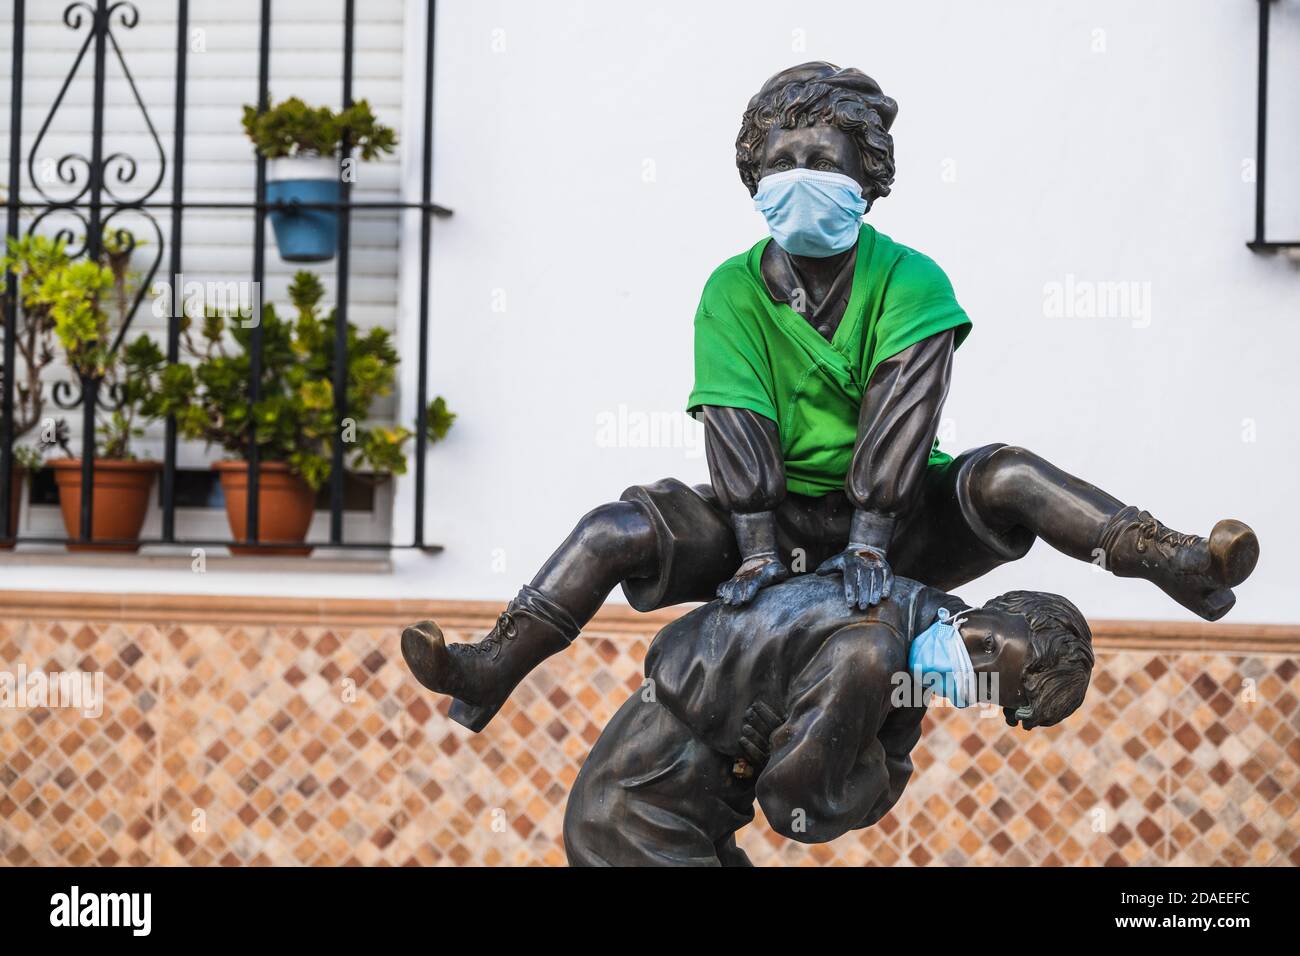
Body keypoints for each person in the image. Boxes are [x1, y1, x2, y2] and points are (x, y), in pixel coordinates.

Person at [400, 62, 1257, 733]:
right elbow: (736, 425)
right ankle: (491, 667)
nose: (798, 176)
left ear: (867, 174)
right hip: (763, 525)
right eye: (779, 162)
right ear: (752, 175)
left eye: (821, 161)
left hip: (899, 524)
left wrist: (875, 541)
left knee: (1010, 476)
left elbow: (903, 418)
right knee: (611, 531)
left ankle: (1174, 562)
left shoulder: (909, 280)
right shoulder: (731, 290)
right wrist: (755, 552)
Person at [557, 571, 1094, 866]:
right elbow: (796, 803)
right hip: (636, 818)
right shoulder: (873, 651)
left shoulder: (909, 631)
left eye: (982, 683)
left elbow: (879, 781)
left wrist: (812, 752)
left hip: (694, 820)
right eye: (987, 643)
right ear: (995, 606)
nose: (967, 663)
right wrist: (834, 761)